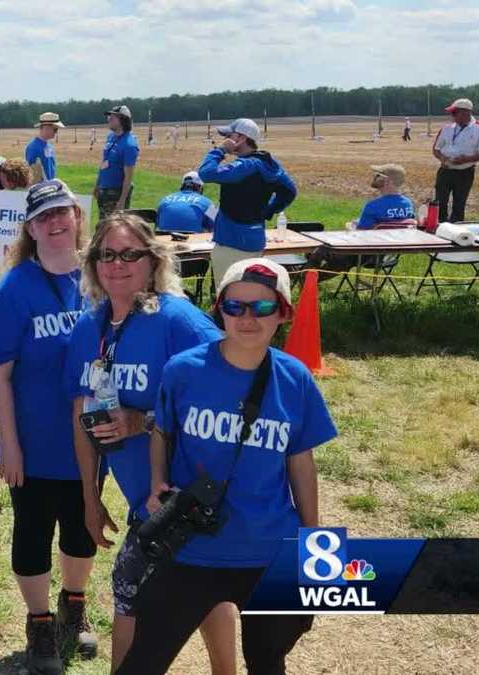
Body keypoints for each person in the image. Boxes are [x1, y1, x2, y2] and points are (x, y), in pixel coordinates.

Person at [115, 258, 336, 675]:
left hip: (266, 548)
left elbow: (300, 460)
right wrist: (158, 480)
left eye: (262, 308)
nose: (247, 318)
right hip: (193, 545)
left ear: (284, 313)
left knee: (267, 662)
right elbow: (162, 429)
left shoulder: (296, 378)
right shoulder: (184, 370)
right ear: (220, 310)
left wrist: (314, 538)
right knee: (143, 662)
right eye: (234, 307)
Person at [64, 213, 233, 673]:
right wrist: (89, 497)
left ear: (153, 260)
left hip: (186, 494)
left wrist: (143, 421)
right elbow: (83, 416)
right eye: (106, 254)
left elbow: (226, 393)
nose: (117, 264)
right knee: (202, 589)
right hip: (142, 496)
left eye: (129, 254)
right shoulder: (91, 326)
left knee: (133, 595)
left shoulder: (177, 321)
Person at [0, 180, 95, 675]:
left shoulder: (99, 277)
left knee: (82, 525)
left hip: (90, 440)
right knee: (32, 530)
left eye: (62, 213)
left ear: (76, 216)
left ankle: (75, 602)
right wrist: (8, 441)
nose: (55, 223)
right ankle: (39, 620)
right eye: (43, 217)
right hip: (33, 438)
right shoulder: (15, 288)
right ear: (30, 228)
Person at [197, 118, 296, 284]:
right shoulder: (270, 164)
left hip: (231, 243)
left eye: (229, 135)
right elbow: (289, 191)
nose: (225, 139)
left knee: (227, 294)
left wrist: (220, 150)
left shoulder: (244, 166)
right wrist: (268, 210)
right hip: (256, 240)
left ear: (241, 138)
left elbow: (206, 173)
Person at [433, 98, 479, 223]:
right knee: (440, 201)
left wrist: (466, 160)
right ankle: (439, 226)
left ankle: (457, 230)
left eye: (454, 113)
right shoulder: (446, 128)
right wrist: (442, 158)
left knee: (459, 203)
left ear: (466, 113)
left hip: (465, 172)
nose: (452, 115)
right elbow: (436, 149)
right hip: (445, 171)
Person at [95, 105, 139, 222]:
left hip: (116, 193)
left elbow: (128, 177)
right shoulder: (111, 137)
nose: (109, 119)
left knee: (114, 227)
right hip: (104, 190)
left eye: (113, 117)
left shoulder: (129, 145)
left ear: (123, 120)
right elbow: (104, 162)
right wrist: (97, 184)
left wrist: (122, 200)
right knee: (103, 226)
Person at [353, 164, 415, 229]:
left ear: (387, 181)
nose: (375, 177)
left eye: (378, 175)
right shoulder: (408, 204)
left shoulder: (372, 206)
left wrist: (353, 226)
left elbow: (361, 232)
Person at [26, 112, 64, 182]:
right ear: (46, 127)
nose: (56, 132)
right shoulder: (33, 148)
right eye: (55, 129)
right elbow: (33, 175)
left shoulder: (50, 146)